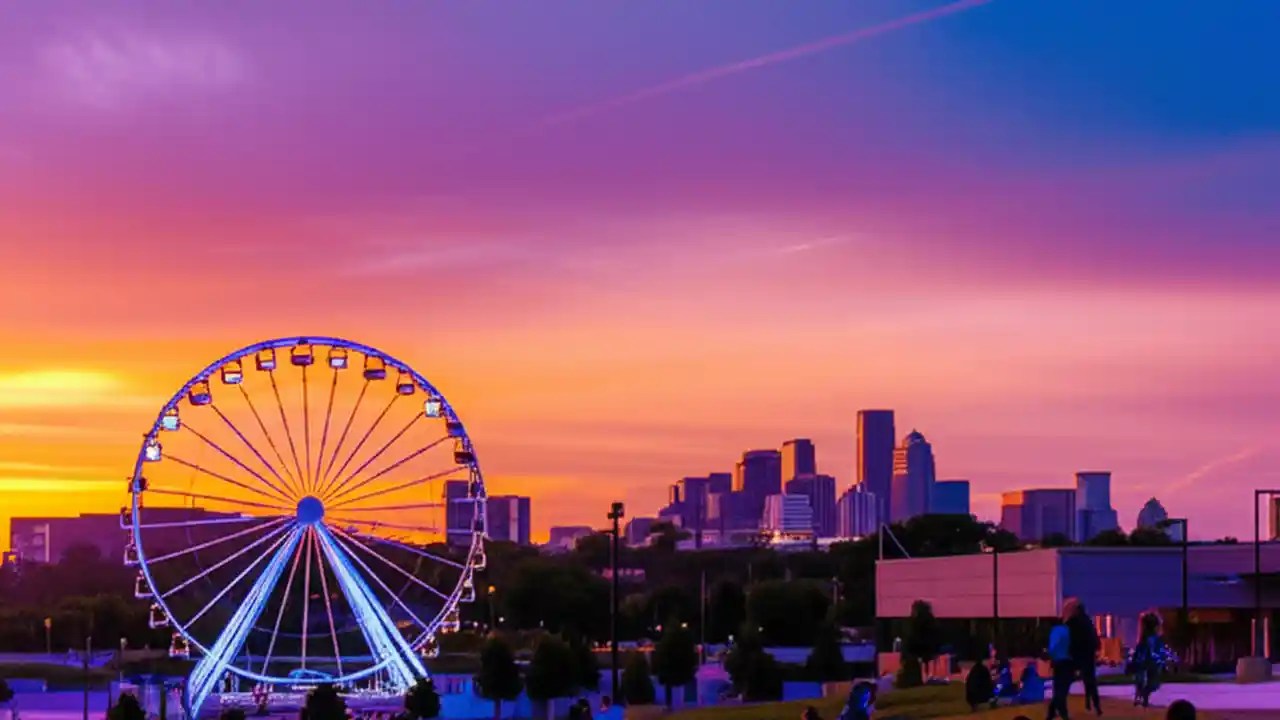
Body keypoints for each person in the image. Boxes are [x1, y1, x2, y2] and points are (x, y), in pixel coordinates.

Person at [1066, 599, 1102, 716]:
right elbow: (1094, 638)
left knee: (1065, 680)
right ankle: (1096, 705)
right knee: (1090, 680)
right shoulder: (1088, 621)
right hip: (1088, 655)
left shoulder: (1072, 622)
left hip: (1076, 655)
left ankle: (1059, 704)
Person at [1130, 611, 1169, 708]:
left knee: (1149, 683)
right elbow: (1156, 651)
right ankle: (1143, 698)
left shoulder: (1148, 639)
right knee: (1149, 683)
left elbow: (1158, 651)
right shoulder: (1149, 639)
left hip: (1149, 663)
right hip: (1148, 663)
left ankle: (1142, 697)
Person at [1046, 613, 1074, 720]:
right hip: (1068, 662)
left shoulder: (1055, 631)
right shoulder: (1067, 630)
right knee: (1063, 688)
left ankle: (1059, 712)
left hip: (1059, 662)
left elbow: (1052, 647)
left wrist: (1050, 656)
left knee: (1059, 689)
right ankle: (1055, 712)